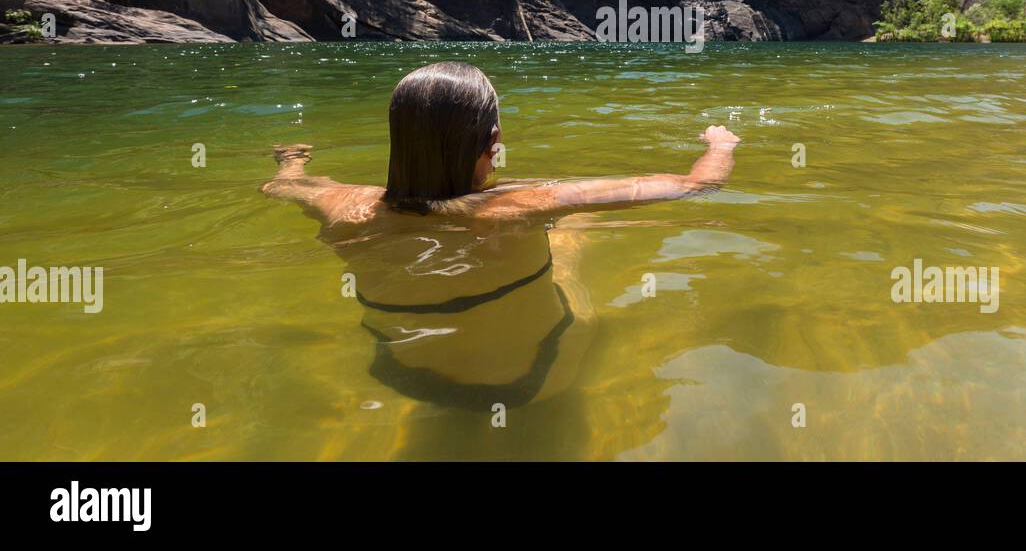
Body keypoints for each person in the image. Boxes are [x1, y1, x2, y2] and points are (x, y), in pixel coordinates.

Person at [263, 60, 740, 409]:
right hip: (531, 382)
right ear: (494, 142)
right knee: (576, 226)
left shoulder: (343, 205)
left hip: (403, 378)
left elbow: (283, 186)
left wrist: (294, 159)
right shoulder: (522, 208)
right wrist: (722, 143)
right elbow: (698, 186)